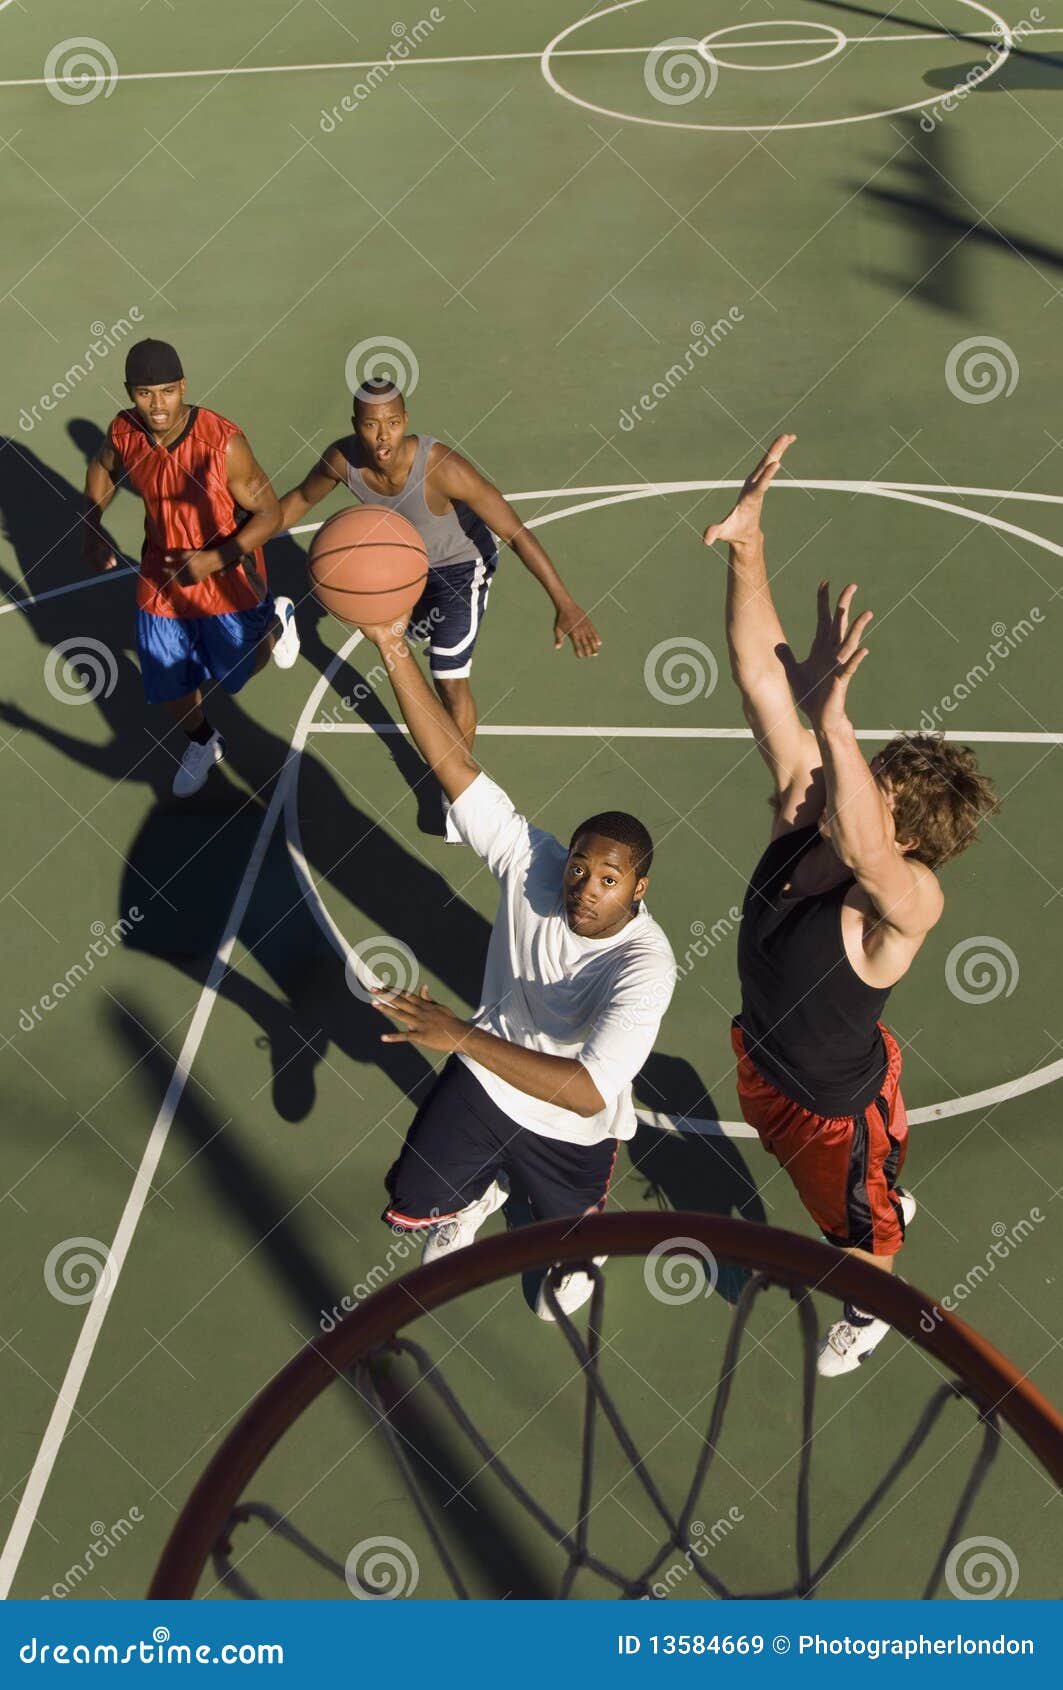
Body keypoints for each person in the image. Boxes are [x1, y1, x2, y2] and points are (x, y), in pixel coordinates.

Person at [704, 435, 999, 1376]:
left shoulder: (907, 905)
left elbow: (870, 847)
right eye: (858, 773)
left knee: (856, 1238)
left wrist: (832, 714)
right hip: (765, 1060)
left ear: (906, 839)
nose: (847, 781)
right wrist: (748, 548)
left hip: (838, 1111)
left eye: (869, 787)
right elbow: (758, 674)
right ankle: (873, 1209)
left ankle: (876, 1305)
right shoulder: (809, 806)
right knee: (822, 1202)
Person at [356, 616, 675, 1319]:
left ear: (637, 889)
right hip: (487, 1084)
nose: (585, 887)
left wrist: (458, 1036)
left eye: (609, 879)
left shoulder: (646, 966)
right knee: (414, 1194)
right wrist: (390, 647)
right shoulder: (533, 861)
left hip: (568, 1124)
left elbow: (589, 1092)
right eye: (581, 868)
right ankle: (471, 1198)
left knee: (572, 1227)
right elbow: (453, 764)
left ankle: (575, 1254)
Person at [277, 378, 601, 835]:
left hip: (459, 569)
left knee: (448, 679)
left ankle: (456, 794)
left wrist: (564, 602)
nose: (383, 435)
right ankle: (281, 618)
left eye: (392, 423)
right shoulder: (342, 460)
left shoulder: (441, 467)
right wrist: (246, 540)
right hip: (401, 569)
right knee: (353, 596)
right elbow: (299, 500)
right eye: (372, 425)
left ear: (406, 421)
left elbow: (516, 531)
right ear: (356, 427)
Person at [84, 339, 298, 797]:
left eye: (166, 391)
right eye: (144, 393)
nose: (157, 405)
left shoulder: (222, 443)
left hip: (226, 572)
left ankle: (276, 623)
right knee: (165, 677)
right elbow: (102, 467)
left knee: (235, 676)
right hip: (161, 573)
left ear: (183, 386)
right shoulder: (124, 432)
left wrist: (213, 560)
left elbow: (271, 514)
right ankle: (202, 741)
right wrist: (93, 524)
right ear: (129, 392)